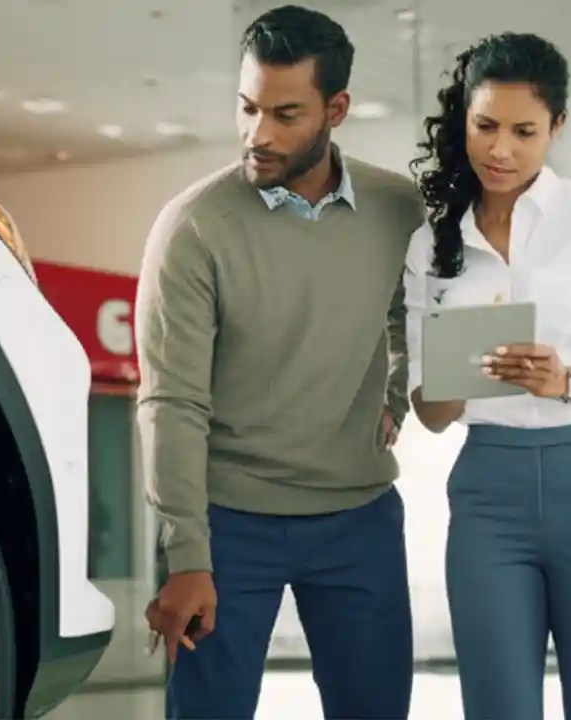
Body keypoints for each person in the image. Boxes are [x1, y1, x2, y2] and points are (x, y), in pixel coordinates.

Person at [134, 5, 425, 719]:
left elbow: (411, 313)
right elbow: (171, 400)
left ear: (337, 109)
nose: (258, 134)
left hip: (359, 518)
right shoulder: (194, 227)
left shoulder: (399, 209)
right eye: (247, 107)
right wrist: (187, 553)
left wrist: (396, 389)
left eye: (285, 114)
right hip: (229, 522)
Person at [404, 32, 571, 720]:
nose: (501, 149)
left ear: (557, 127)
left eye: (524, 131)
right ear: (463, 117)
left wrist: (568, 381)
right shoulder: (430, 244)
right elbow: (431, 412)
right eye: (485, 125)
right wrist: (458, 373)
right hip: (488, 494)